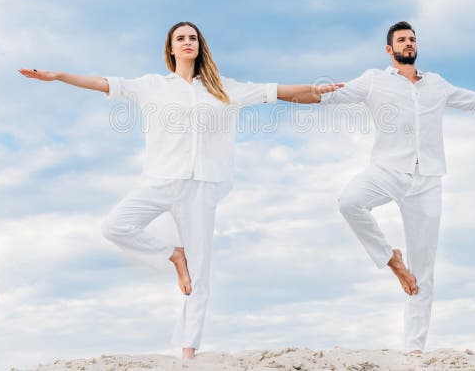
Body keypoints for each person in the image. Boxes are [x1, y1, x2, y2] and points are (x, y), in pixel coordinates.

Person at [19, 21, 341, 359]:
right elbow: (102, 83)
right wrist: (58, 76)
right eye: (180, 38)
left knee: (200, 274)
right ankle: (173, 254)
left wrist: (323, 93)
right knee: (114, 226)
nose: (188, 42)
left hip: (202, 187)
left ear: (200, 46)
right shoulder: (152, 86)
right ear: (170, 49)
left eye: (192, 38)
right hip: (161, 180)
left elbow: (281, 92)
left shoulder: (223, 89)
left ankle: (188, 352)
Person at [319, 21, 475, 355]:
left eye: (412, 39)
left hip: (427, 181)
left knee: (423, 271)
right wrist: (280, 93)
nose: (408, 43)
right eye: (401, 40)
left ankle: (414, 351)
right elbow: (327, 96)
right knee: (349, 202)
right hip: (389, 169)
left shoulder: (437, 85)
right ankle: (391, 259)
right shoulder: (374, 80)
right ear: (389, 49)